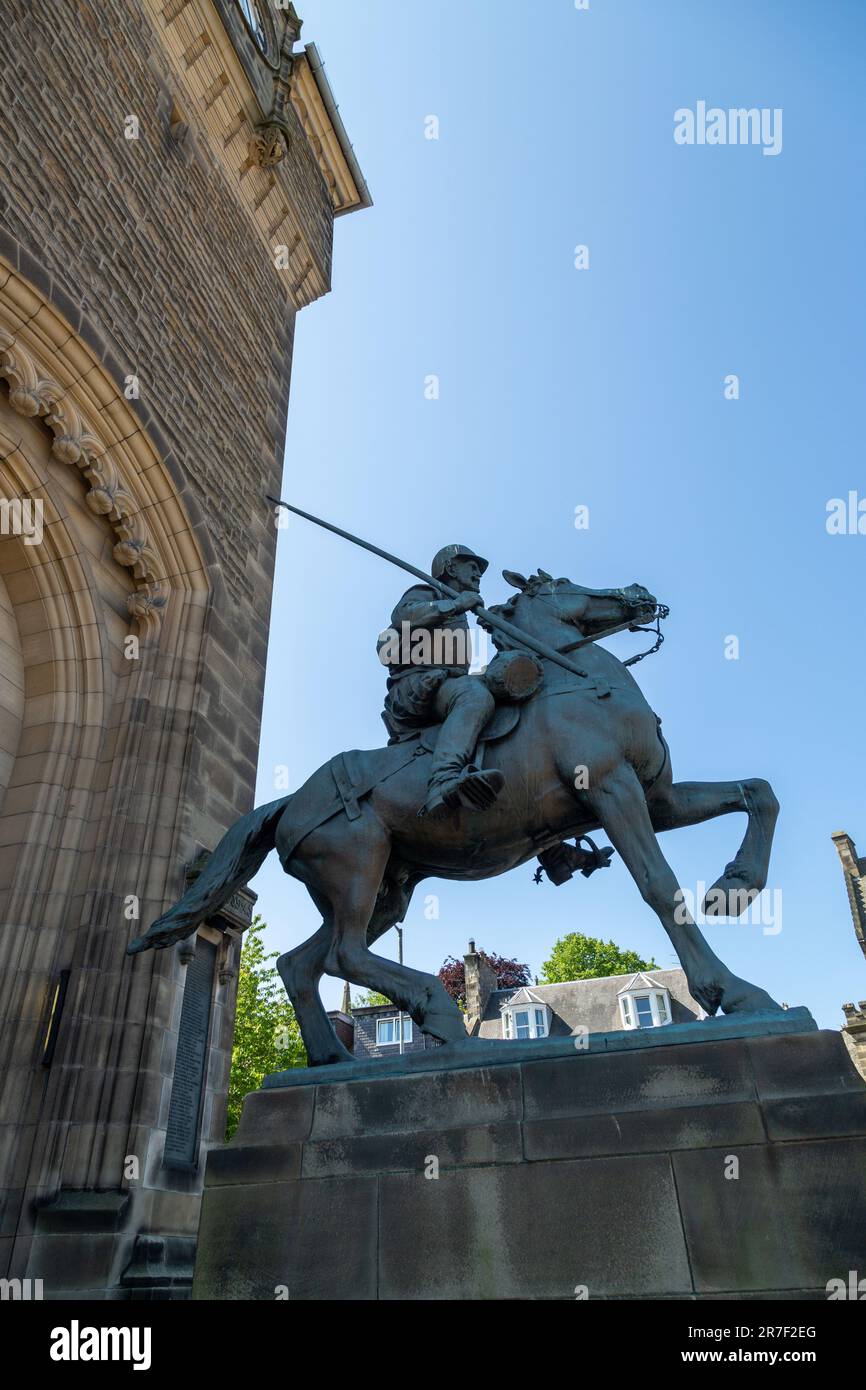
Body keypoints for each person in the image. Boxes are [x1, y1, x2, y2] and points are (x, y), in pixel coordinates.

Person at [378, 543, 505, 818]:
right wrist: (456, 603)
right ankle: (443, 779)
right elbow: (403, 616)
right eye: (471, 566)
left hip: (445, 685)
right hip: (416, 686)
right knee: (474, 696)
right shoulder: (428, 592)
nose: (478, 573)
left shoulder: (459, 614)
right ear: (450, 568)